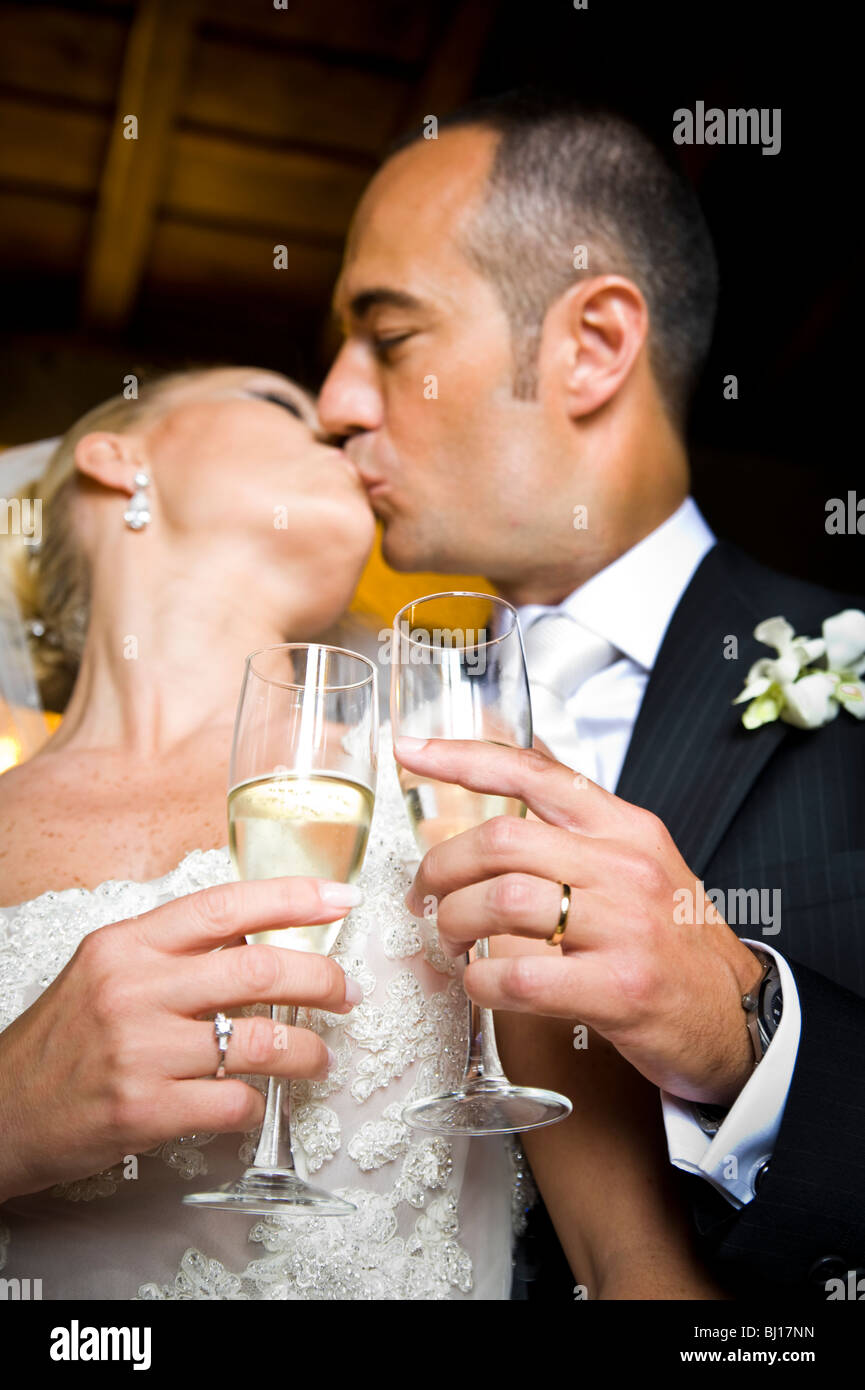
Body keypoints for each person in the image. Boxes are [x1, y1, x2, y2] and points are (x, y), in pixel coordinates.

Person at [0, 367, 719, 1299]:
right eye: (280, 405)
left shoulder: (455, 771)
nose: (339, 425)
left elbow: (631, 1258)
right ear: (114, 456)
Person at [317, 90, 865, 1298]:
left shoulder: (851, 669)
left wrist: (745, 1038)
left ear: (593, 344)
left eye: (390, 338)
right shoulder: (341, 730)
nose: (334, 405)